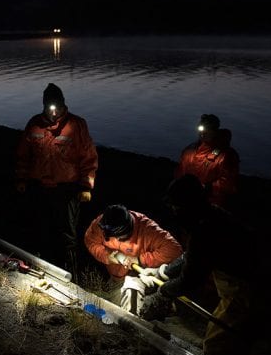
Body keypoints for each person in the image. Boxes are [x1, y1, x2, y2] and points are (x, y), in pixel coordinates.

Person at [139, 174, 256, 355]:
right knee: (236, 338)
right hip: (242, 282)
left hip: (247, 289)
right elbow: (190, 257)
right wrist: (163, 271)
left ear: (187, 205)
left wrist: (163, 292)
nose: (174, 212)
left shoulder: (205, 229)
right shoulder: (211, 216)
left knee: (216, 346)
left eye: (176, 207)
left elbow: (191, 279)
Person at [15, 83, 98, 275]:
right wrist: (21, 179)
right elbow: (23, 155)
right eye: (49, 107)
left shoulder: (77, 125)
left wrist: (86, 187)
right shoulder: (34, 123)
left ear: (63, 104)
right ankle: (41, 266)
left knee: (67, 234)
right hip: (39, 187)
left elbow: (88, 157)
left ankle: (70, 272)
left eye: (57, 107)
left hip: (67, 189)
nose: (54, 112)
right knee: (40, 228)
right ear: (44, 105)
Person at [84, 204, 183, 315]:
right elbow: (90, 240)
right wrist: (107, 256)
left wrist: (139, 259)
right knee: (110, 307)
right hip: (116, 279)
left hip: (141, 275)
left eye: (121, 238)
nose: (117, 240)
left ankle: (162, 306)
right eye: (113, 237)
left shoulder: (147, 228)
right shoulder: (105, 223)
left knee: (130, 302)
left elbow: (174, 250)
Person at [173, 114, 239, 209]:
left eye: (208, 129)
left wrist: (207, 188)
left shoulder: (226, 155)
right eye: (201, 129)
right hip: (186, 201)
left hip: (209, 204)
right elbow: (179, 173)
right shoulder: (189, 151)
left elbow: (229, 183)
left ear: (215, 131)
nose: (203, 133)